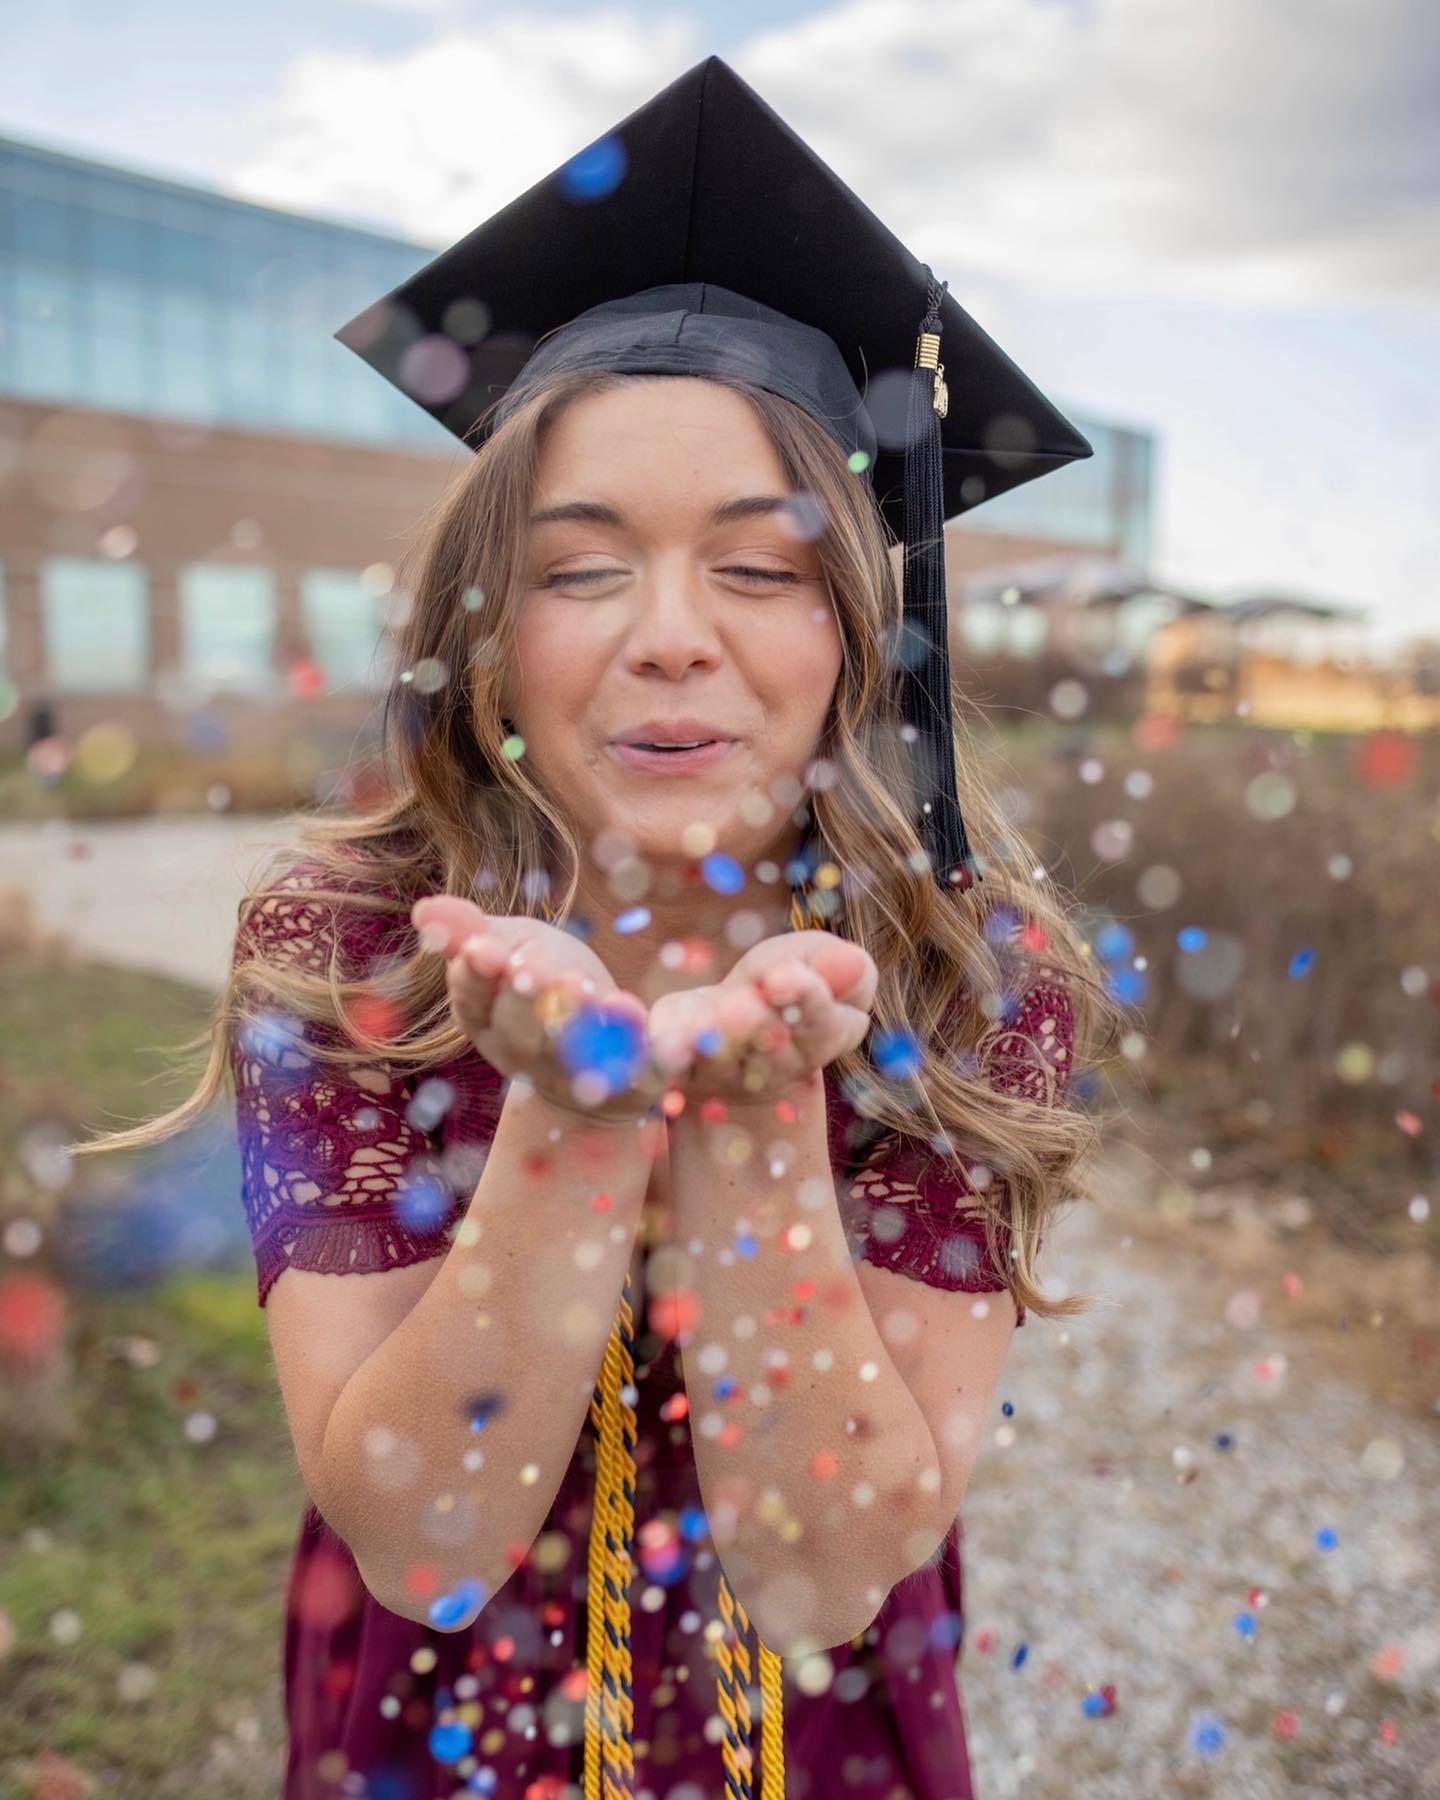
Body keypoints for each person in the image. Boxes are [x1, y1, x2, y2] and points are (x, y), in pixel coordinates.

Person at [75, 56, 1121, 1800]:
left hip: (818, 1736)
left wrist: (756, 1119)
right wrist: (570, 1113)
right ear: (483, 630)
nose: (668, 634)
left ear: (865, 628)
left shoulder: (963, 975)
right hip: (438, 1733)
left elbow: (817, 1576)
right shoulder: (351, 952)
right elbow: (426, 1540)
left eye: (762, 564)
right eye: (578, 567)